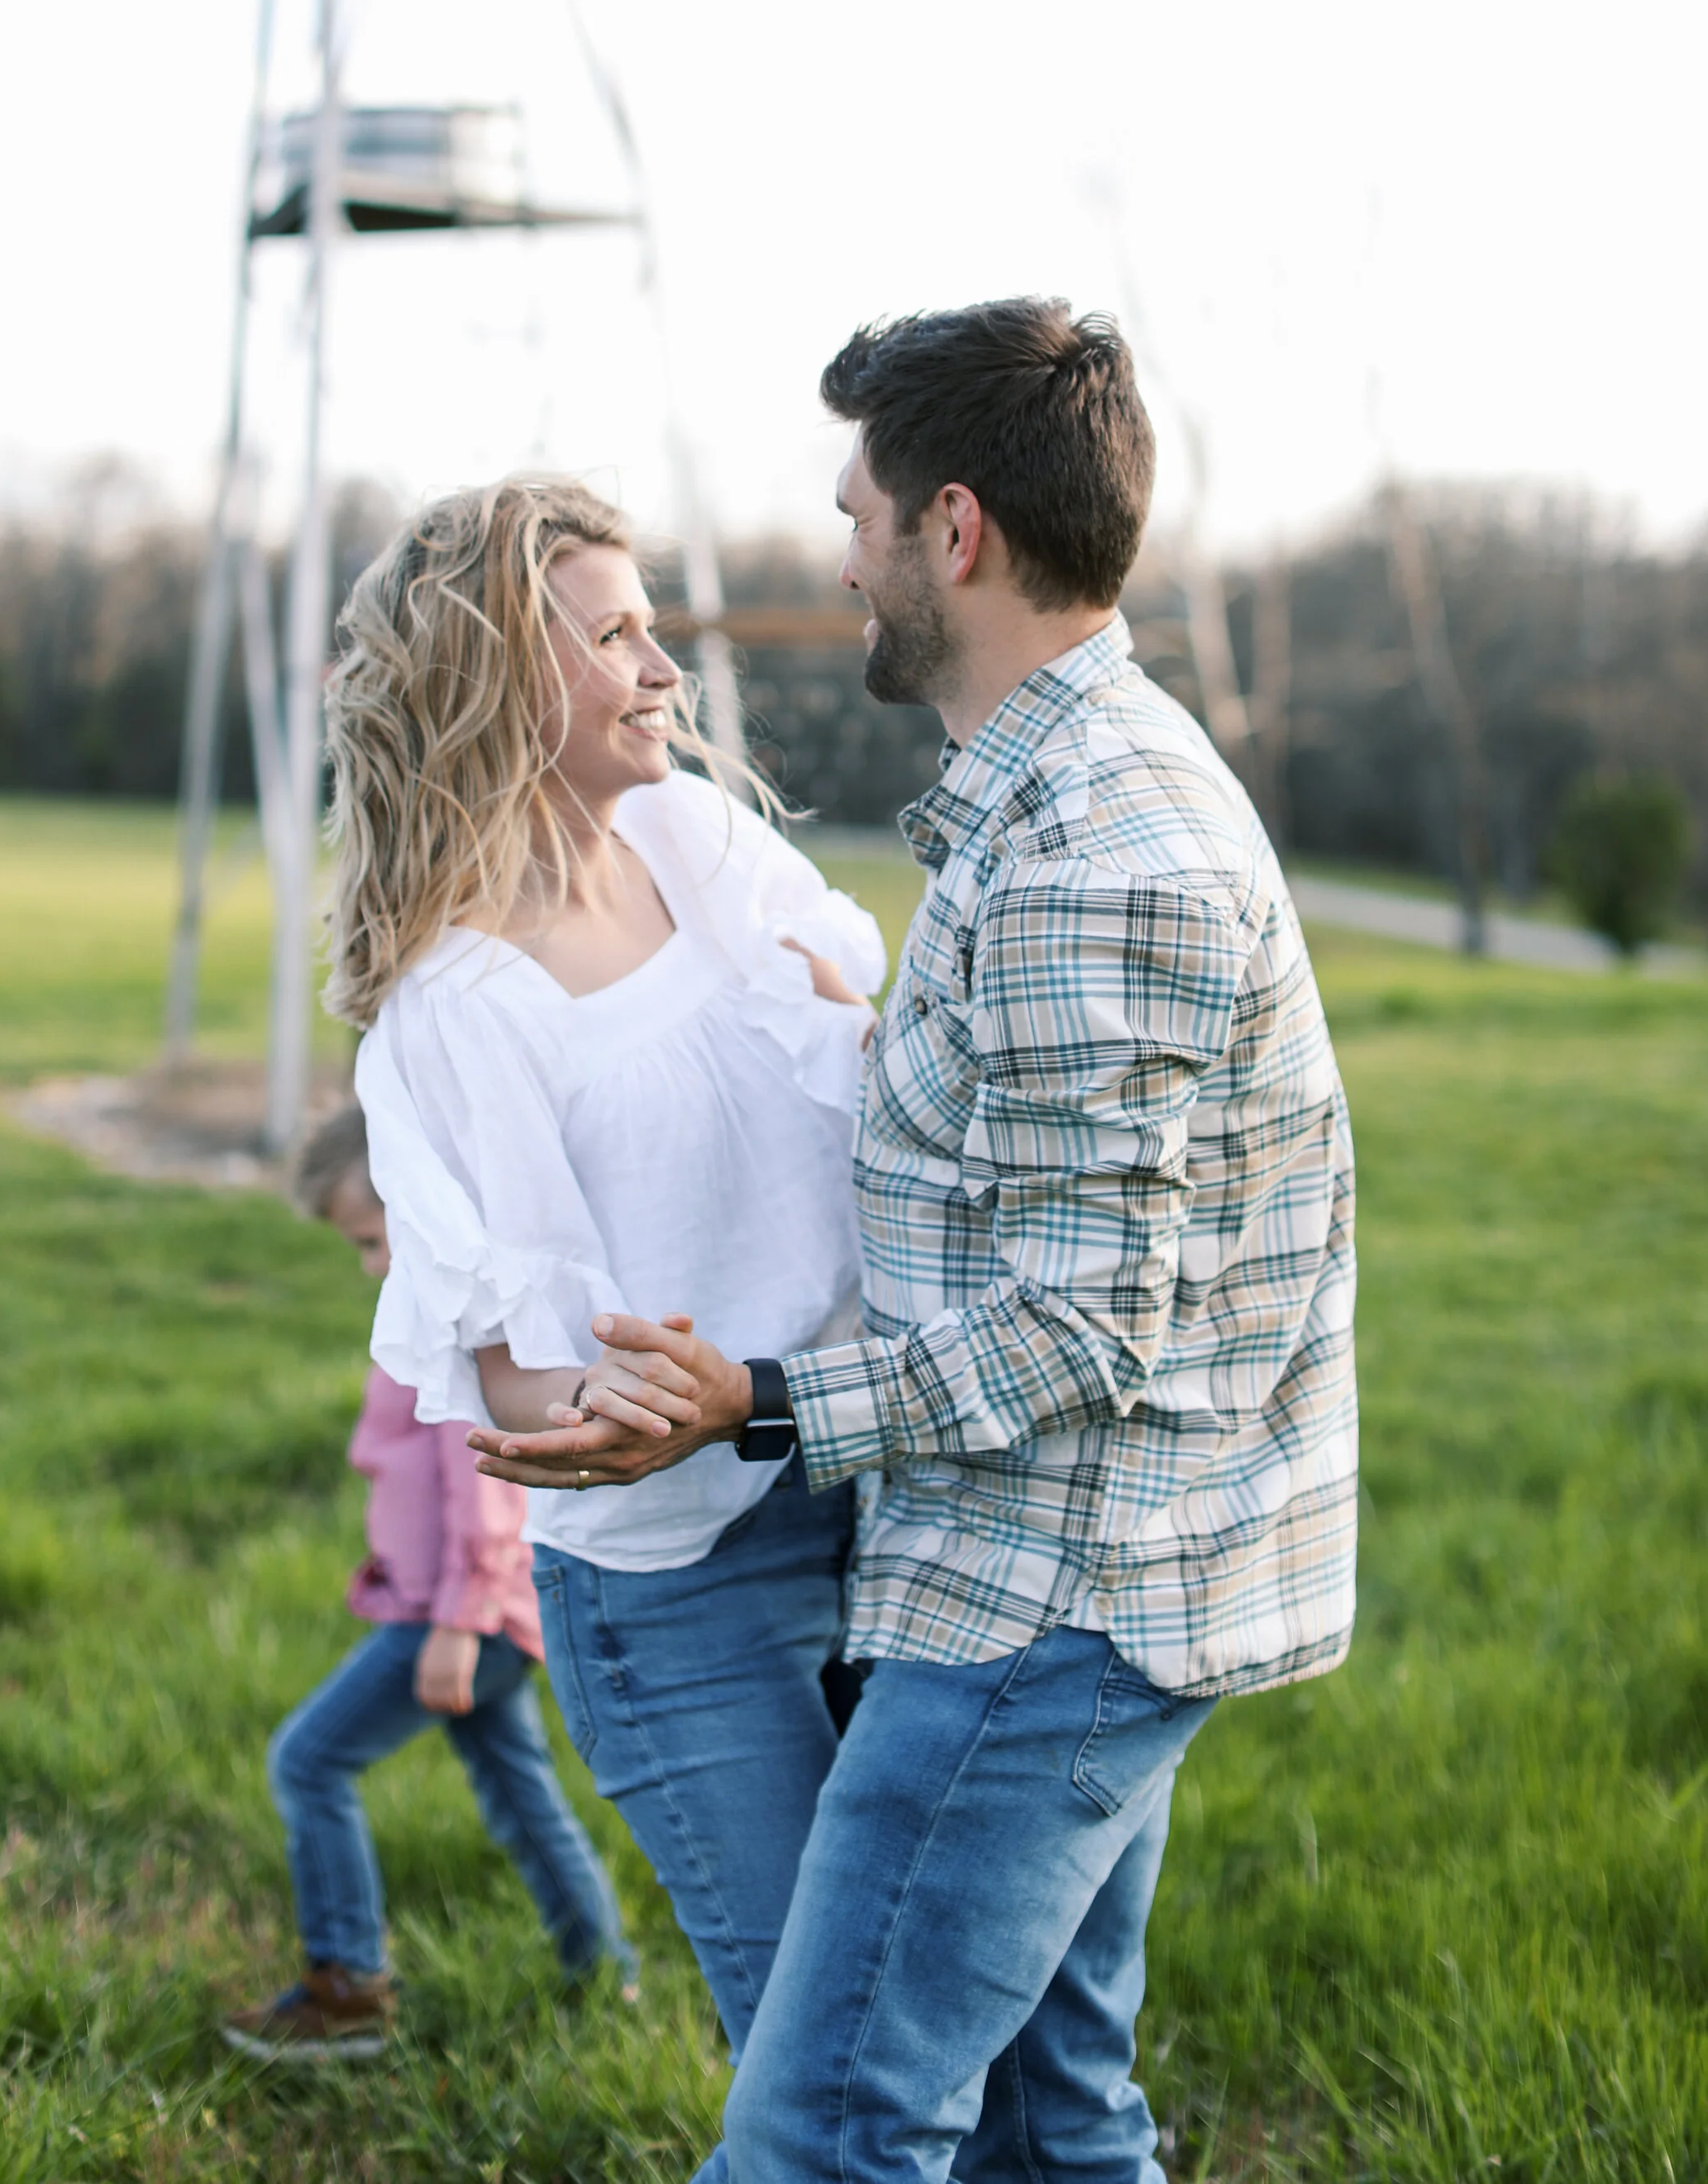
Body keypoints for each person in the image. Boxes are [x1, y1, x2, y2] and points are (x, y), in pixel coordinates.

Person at [475, 301, 1360, 2184]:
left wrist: (757, 1400)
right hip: (1100, 1575)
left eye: (859, 510)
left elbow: (1079, 1326)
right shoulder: (1076, 786)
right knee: (1054, 2117)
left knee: (828, 2130)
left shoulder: (1086, 853)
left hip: (1045, 1600)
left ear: (953, 529)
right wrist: (870, 1047)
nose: (840, 551)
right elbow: (1071, 1162)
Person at [327, 475, 888, 2059]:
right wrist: (628, 1405)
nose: (662, 671)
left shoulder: (695, 839)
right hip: (686, 1586)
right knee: (819, 2056)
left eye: (655, 630)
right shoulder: (458, 1005)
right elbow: (518, 1367)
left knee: (930, 2033)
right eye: (615, 636)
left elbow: (869, 1053)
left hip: (882, 1489)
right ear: (501, 674)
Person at [221, 1101, 634, 2064]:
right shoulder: (432, 1304)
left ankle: (347, 1988)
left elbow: (483, 1484)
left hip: (464, 1612)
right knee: (515, 1782)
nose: (367, 1263)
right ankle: (604, 1969)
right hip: (459, 1604)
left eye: (369, 1239)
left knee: (308, 1761)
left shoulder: (456, 1314)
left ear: (412, 1203)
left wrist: (455, 1618)